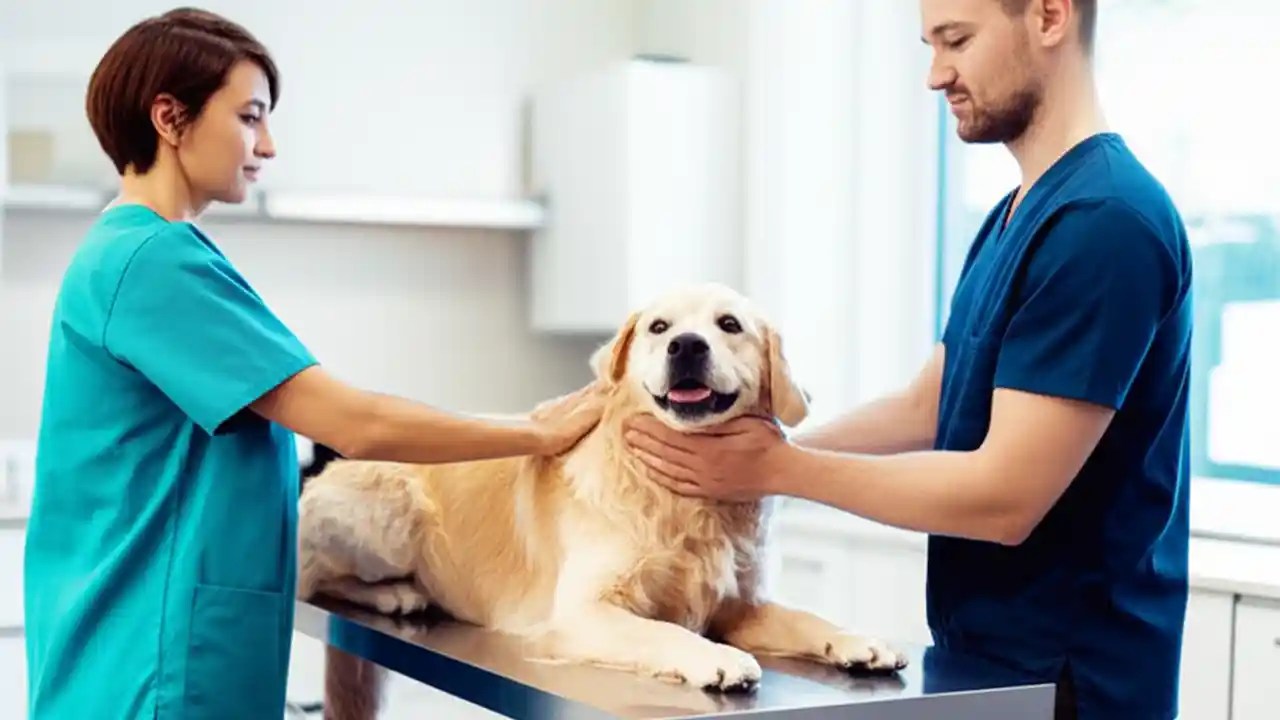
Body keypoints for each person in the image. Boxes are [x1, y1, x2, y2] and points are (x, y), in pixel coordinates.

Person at [21, 8, 604, 720]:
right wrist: (538, 433)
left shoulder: (145, 252)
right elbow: (352, 423)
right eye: (250, 116)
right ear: (170, 118)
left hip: (152, 645)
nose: (267, 144)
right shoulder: (152, 261)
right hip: (153, 661)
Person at [622, 1, 1192, 719]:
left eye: (956, 41)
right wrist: (730, 459)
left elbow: (1006, 496)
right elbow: (926, 407)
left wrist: (776, 469)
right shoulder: (1017, 213)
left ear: (1050, 16)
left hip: (1076, 682)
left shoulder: (1106, 223)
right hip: (985, 661)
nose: (935, 75)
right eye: (930, 45)